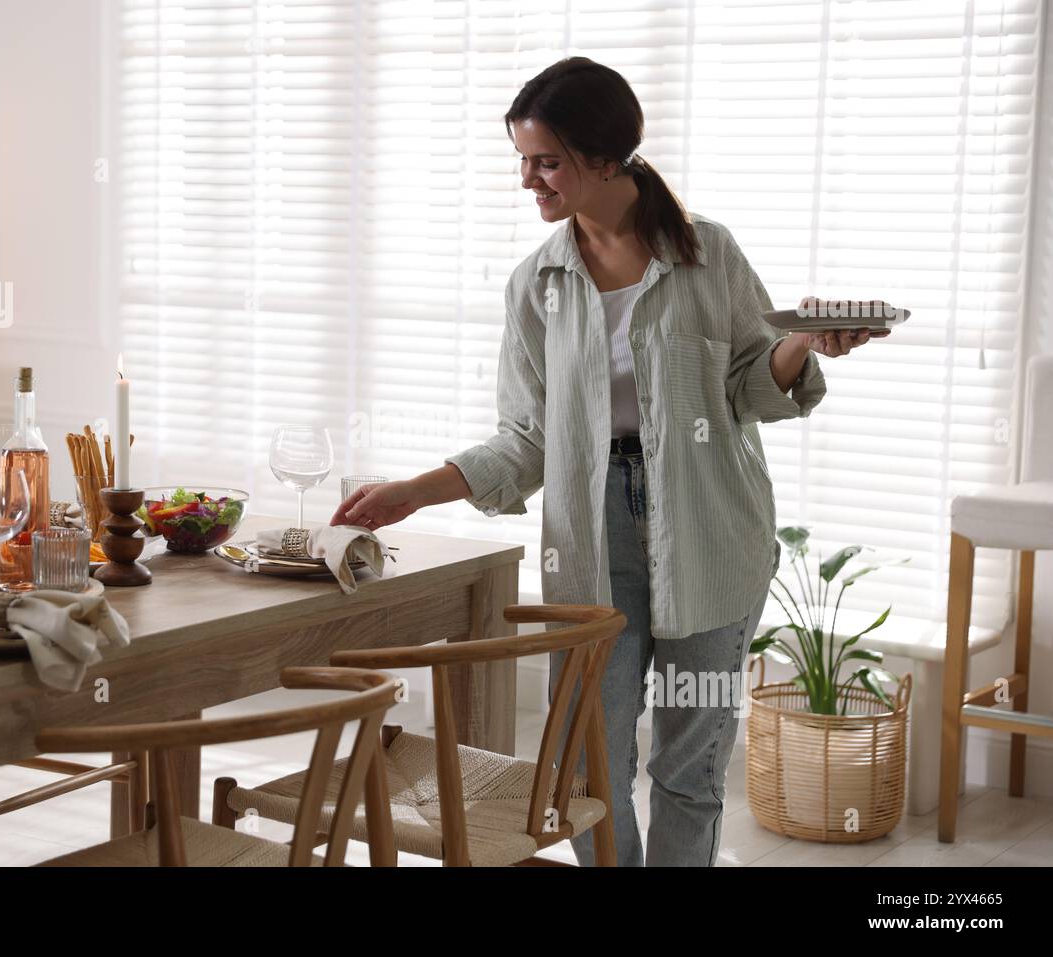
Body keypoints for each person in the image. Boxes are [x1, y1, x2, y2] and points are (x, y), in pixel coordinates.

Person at [330, 56, 876, 866]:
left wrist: (802, 343)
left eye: (546, 161)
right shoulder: (536, 285)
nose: (527, 180)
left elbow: (751, 388)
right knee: (586, 762)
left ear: (606, 156)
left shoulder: (709, 255)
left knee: (690, 764)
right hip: (590, 535)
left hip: (712, 526)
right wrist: (415, 490)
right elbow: (527, 439)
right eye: (522, 159)